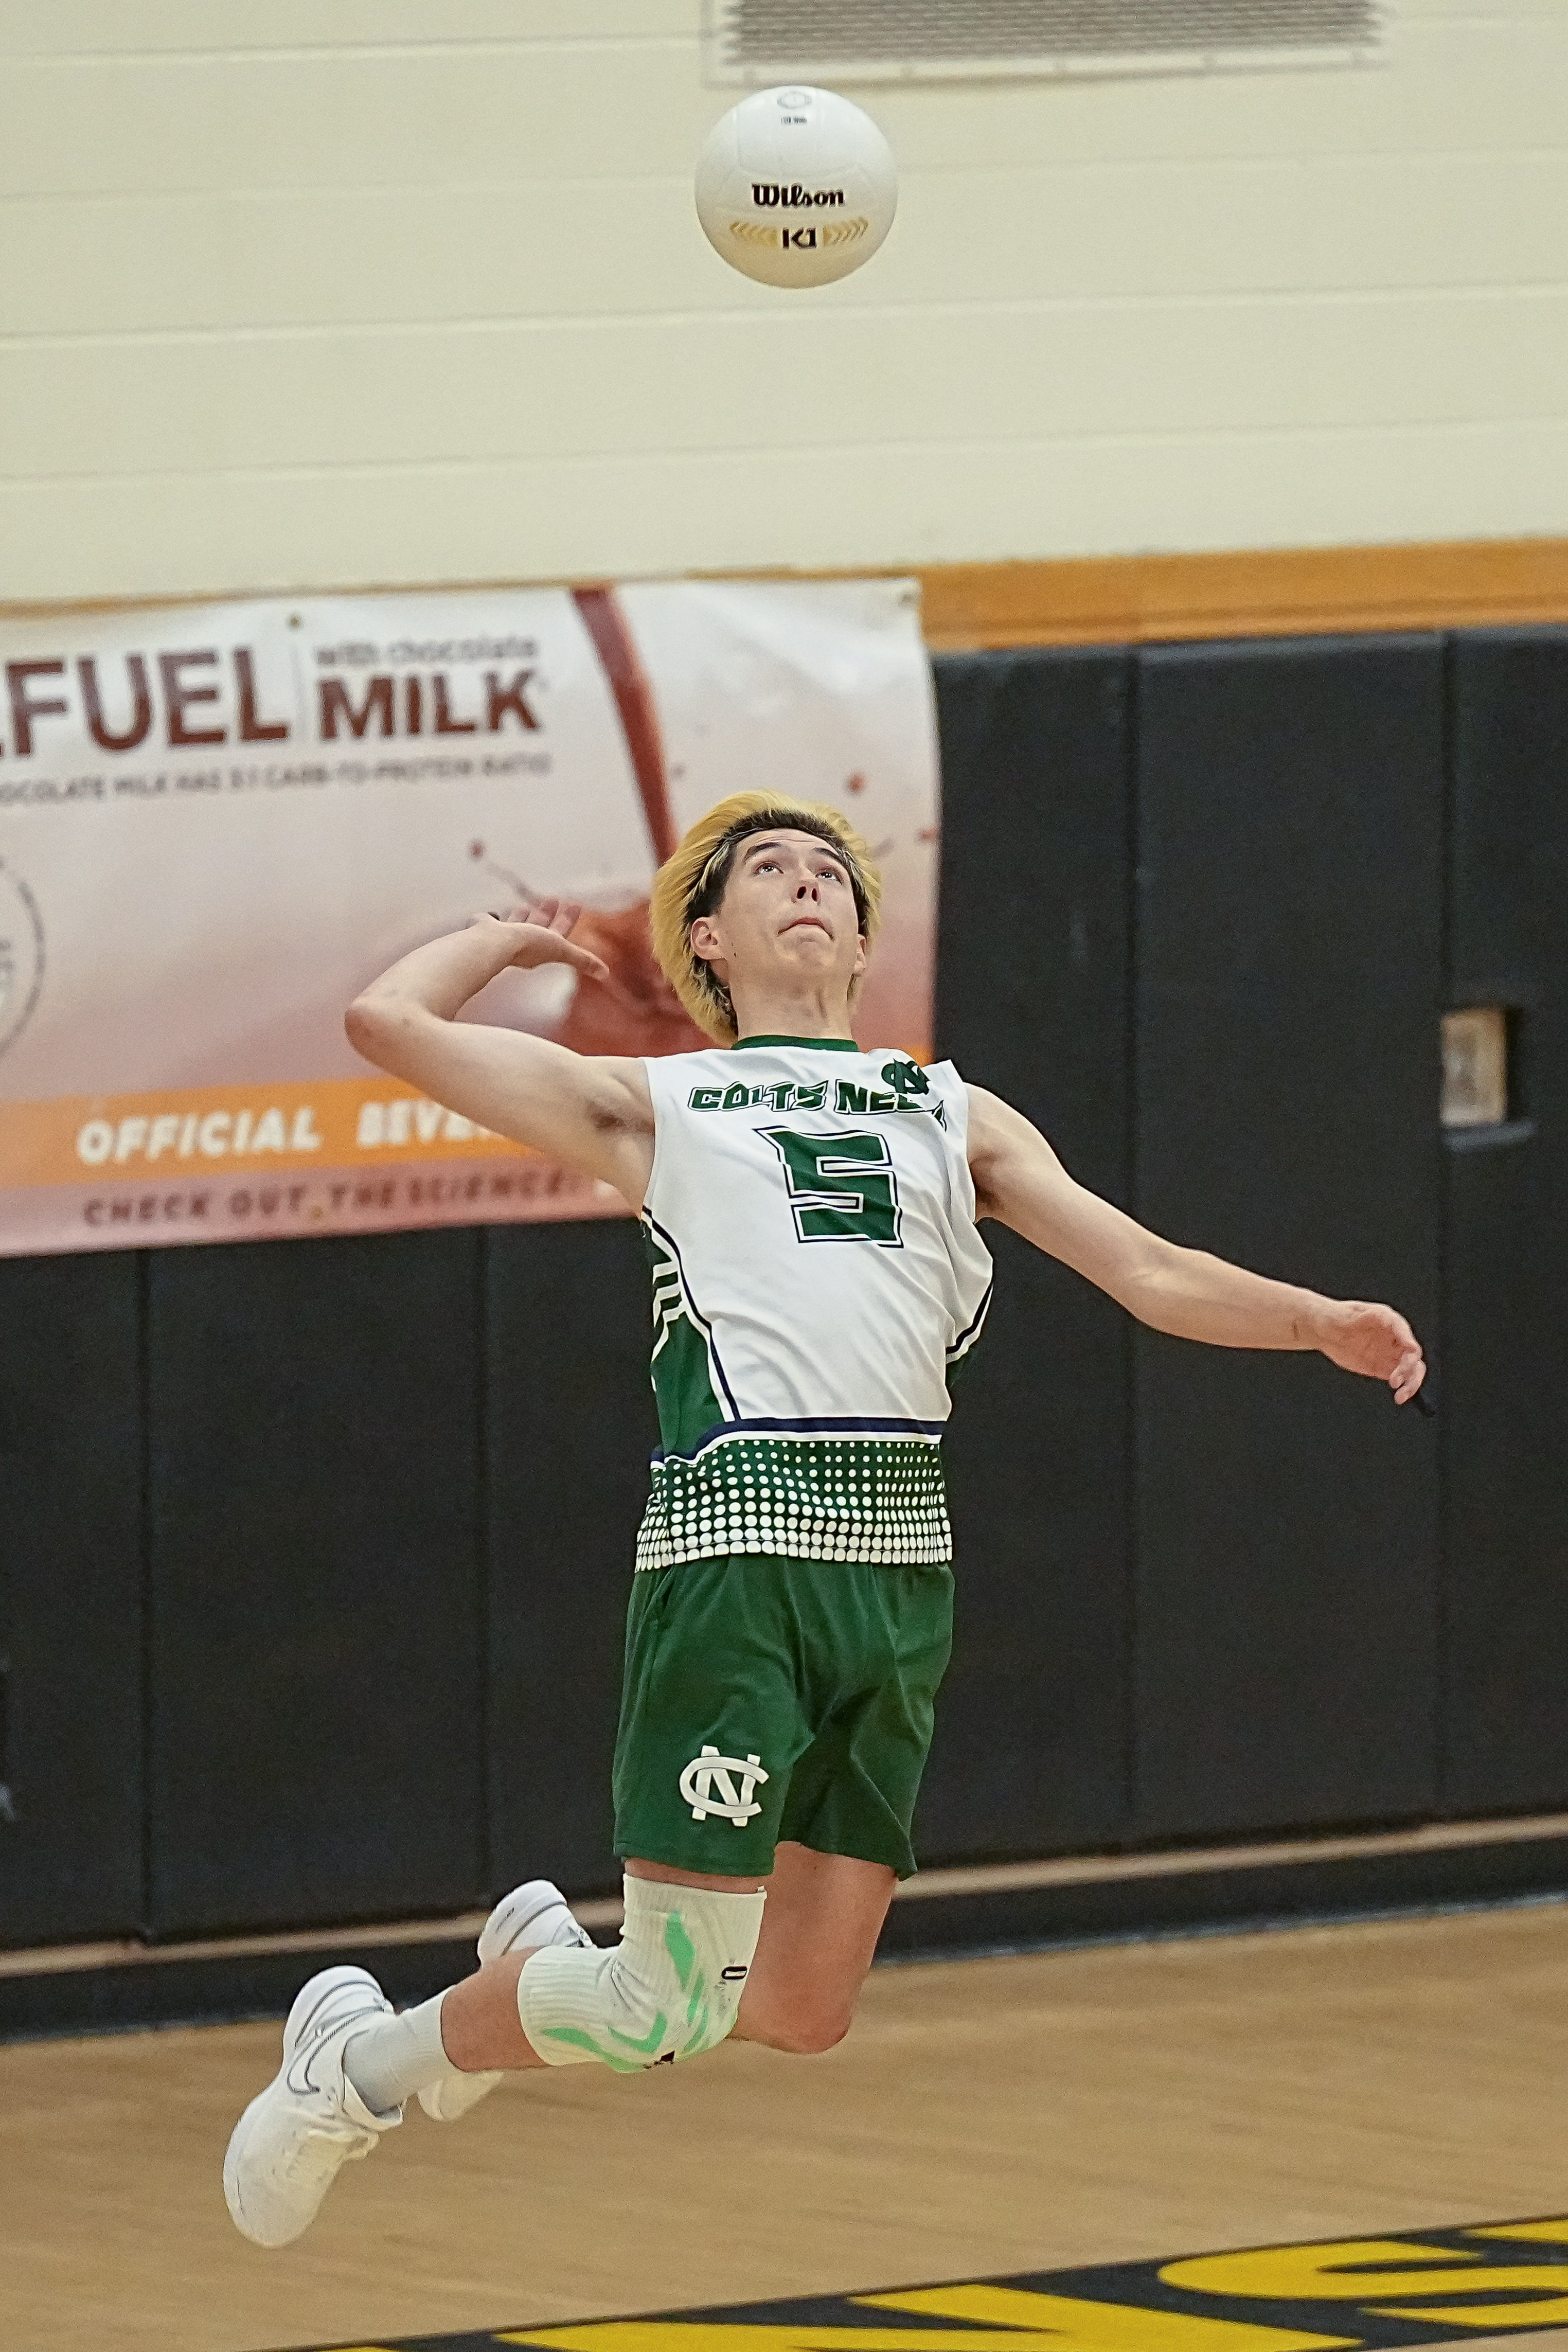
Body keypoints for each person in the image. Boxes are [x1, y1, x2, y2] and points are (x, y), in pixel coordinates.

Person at [224, 790, 1427, 2248]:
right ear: (709, 942)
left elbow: (1153, 1270)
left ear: (863, 936)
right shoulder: (661, 1102)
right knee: (664, 2003)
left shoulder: (952, 1112)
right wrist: (490, 943)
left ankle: (540, 1963)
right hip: (740, 1557)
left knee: (798, 2009)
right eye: (766, 872)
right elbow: (383, 1025)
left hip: (903, 1576)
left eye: (830, 873)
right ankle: (354, 2065)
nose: (807, 884)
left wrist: (1316, 1322)